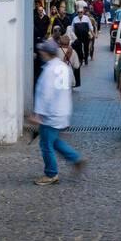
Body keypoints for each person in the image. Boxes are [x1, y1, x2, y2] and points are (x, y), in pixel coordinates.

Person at [32, 39, 87, 185]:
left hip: (51, 112)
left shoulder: (48, 71)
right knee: (53, 141)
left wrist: (38, 114)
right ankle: (75, 158)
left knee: (45, 144)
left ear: (46, 53)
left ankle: (51, 174)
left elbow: (46, 93)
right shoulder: (64, 67)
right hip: (63, 110)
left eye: (42, 50)